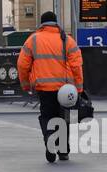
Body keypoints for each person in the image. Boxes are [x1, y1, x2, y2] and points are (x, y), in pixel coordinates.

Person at [15, 10, 84, 163]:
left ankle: (50, 141)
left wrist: (26, 84)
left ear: (41, 23)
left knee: (47, 116)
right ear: (56, 22)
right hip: (65, 89)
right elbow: (77, 65)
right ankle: (64, 151)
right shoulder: (67, 40)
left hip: (44, 88)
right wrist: (79, 88)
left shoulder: (32, 40)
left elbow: (22, 64)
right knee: (63, 118)